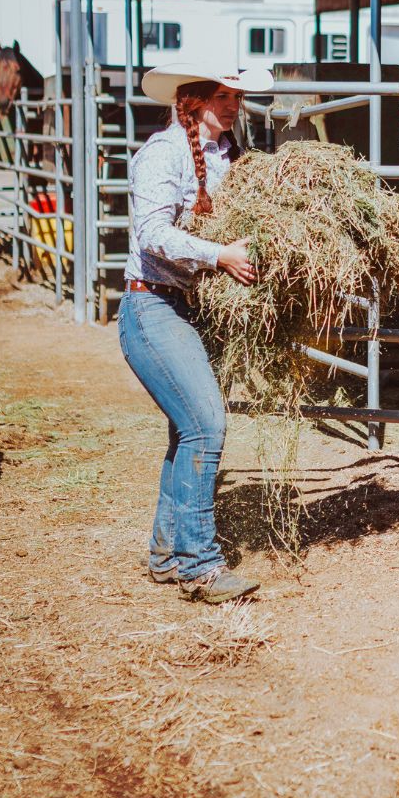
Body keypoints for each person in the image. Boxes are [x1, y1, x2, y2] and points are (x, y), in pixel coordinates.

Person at [122, 57, 276, 603]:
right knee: (207, 426)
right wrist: (221, 256)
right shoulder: (162, 155)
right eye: (224, 98)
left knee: (187, 431)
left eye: (238, 98)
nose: (234, 107)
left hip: (187, 309)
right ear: (193, 102)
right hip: (151, 309)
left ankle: (167, 555)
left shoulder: (227, 159)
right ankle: (200, 565)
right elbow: (153, 237)